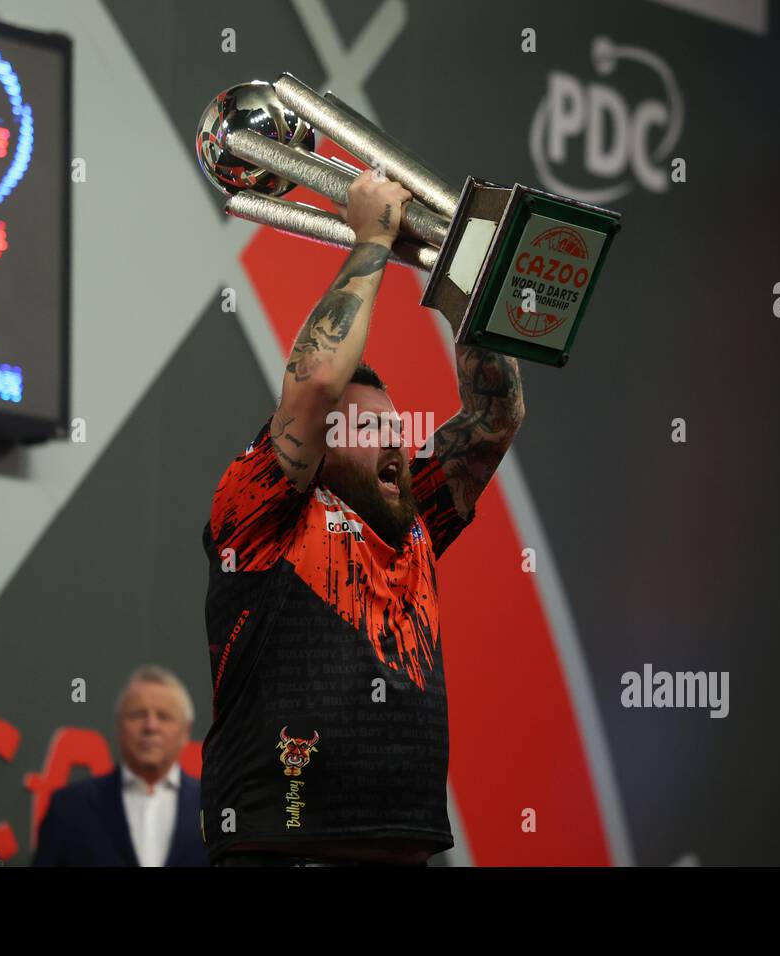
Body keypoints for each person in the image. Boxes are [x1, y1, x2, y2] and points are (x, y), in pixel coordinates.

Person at [200, 167, 525, 866]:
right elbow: (315, 381)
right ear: (313, 447)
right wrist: (372, 240)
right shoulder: (258, 517)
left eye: (395, 427)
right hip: (283, 850)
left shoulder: (412, 524)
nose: (397, 442)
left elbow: (495, 417)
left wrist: (467, 278)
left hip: (406, 852)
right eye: (366, 429)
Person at [32, 666, 207, 866]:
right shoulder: (69, 808)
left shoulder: (212, 808)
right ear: (118, 726)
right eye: (137, 715)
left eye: (164, 716)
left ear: (186, 731)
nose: (151, 726)